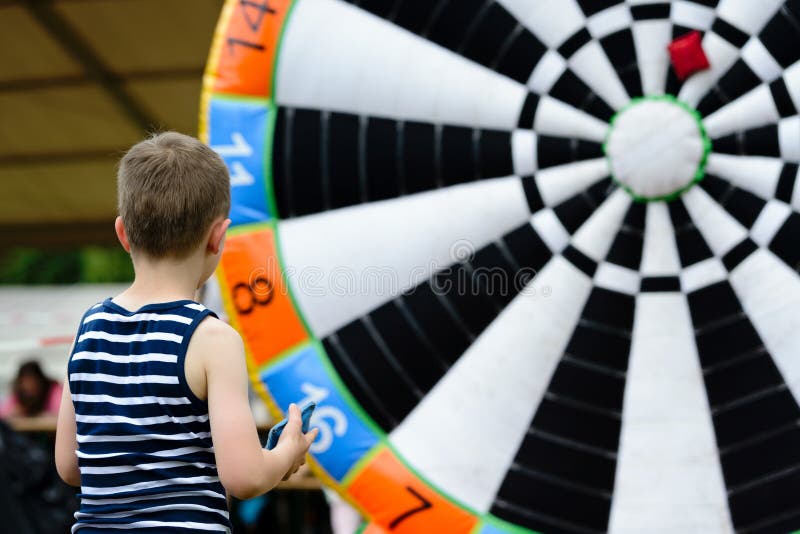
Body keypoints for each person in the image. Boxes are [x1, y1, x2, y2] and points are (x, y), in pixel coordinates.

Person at [54, 132, 318, 532]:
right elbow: (245, 477)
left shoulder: (89, 328)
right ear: (218, 237)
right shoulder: (212, 339)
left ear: (123, 233)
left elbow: (70, 466)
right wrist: (285, 454)